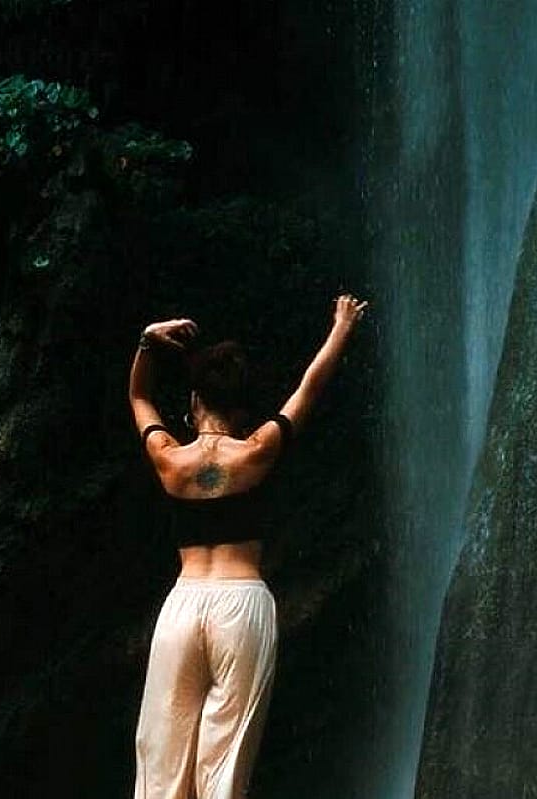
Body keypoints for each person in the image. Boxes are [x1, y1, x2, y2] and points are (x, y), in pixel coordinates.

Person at [128, 293, 369, 799]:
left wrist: (149, 341)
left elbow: (140, 398)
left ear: (194, 405)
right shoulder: (259, 450)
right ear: (239, 410)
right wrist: (342, 327)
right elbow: (309, 387)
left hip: (184, 603)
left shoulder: (169, 456)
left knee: (162, 758)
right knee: (226, 765)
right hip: (243, 603)